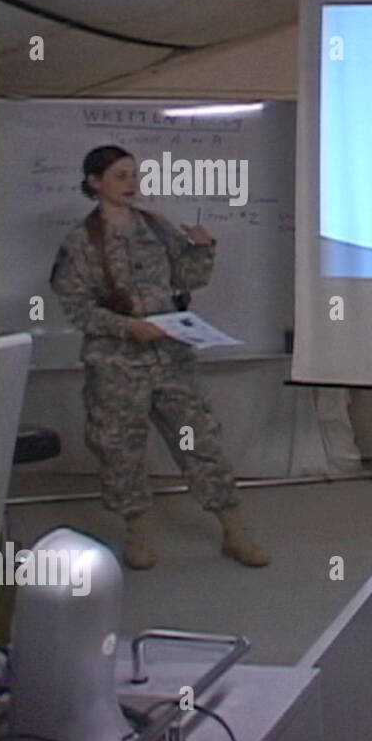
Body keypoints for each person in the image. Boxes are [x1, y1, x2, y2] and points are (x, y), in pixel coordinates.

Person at [49, 145, 269, 568]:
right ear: (94, 183)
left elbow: (188, 279)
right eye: (119, 176)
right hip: (116, 365)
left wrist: (202, 249)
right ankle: (139, 534)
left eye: (133, 174)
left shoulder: (155, 227)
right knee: (121, 449)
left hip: (171, 360)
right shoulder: (80, 242)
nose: (131, 183)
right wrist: (126, 326)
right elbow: (77, 307)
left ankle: (234, 530)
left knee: (199, 440)